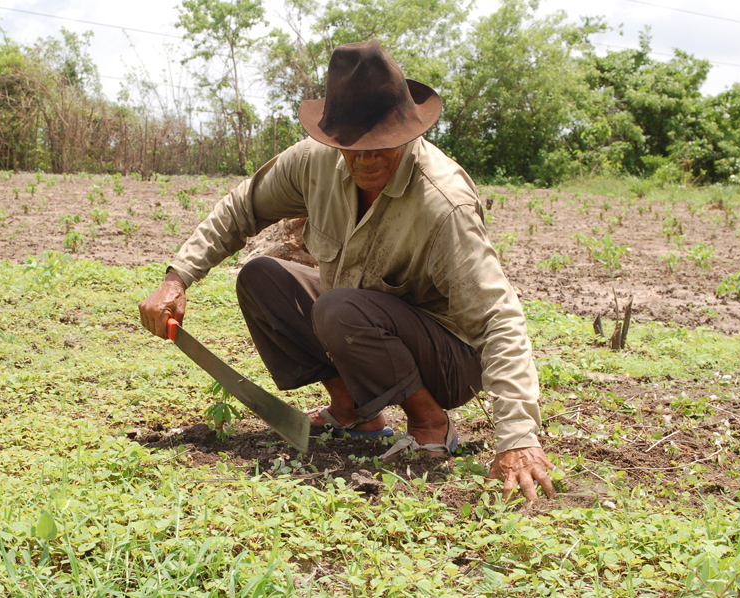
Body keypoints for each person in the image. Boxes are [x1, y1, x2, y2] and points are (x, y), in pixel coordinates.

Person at [139, 40, 557, 502]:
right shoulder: (314, 162)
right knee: (262, 279)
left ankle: (429, 422)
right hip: (358, 319)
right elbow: (242, 207)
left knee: (339, 308)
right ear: (333, 138)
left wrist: (517, 436)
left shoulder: (443, 203)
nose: (366, 158)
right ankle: (355, 412)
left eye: (381, 145)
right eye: (352, 146)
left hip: (447, 356)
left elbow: (498, 317)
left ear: (407, 131)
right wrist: (177, 278)